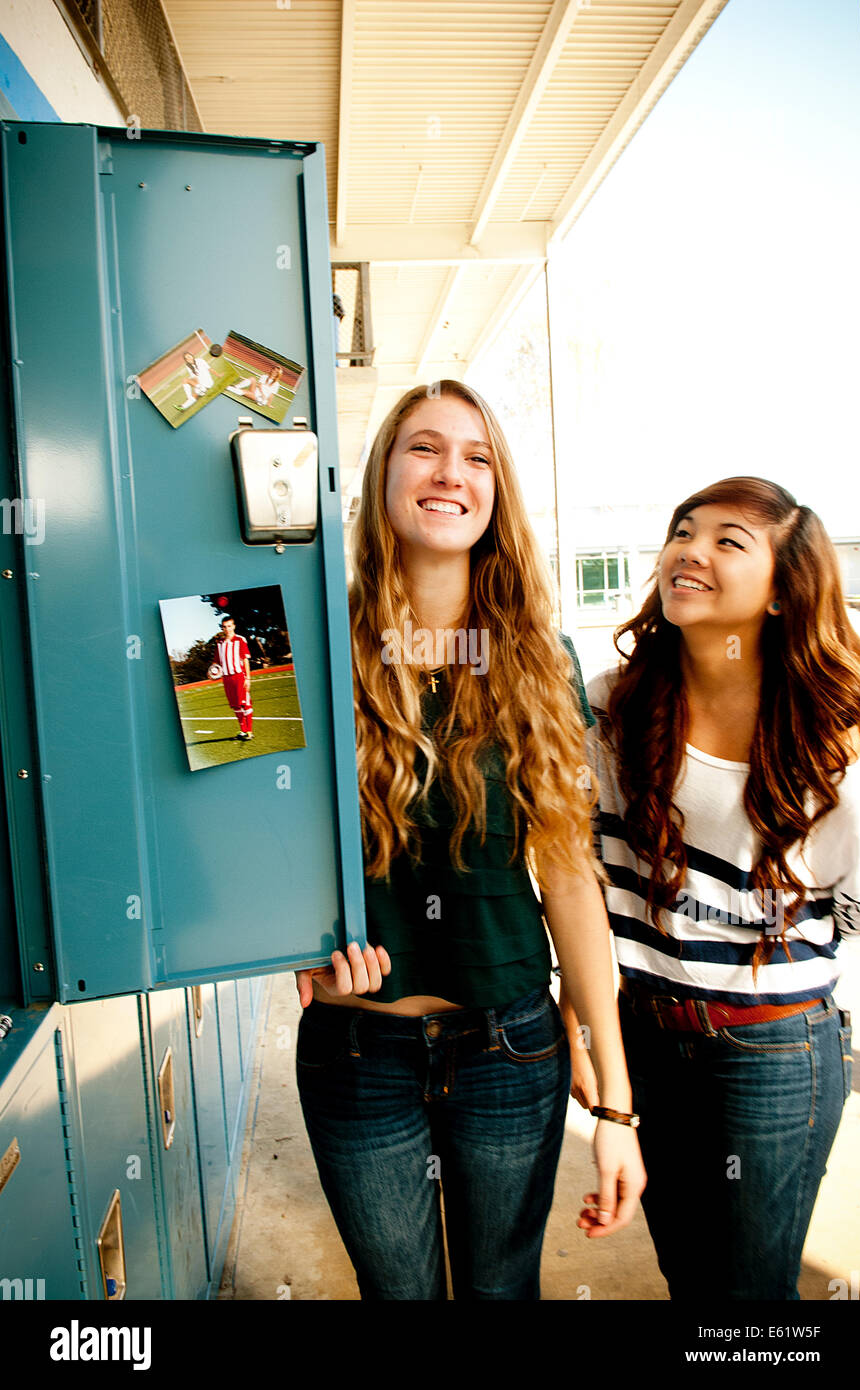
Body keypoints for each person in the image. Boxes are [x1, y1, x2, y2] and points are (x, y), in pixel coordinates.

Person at [293, 380, 645, 1301]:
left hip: (510, 1048)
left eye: (478, 456)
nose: (452, 472)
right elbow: (224, 818)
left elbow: (571, 880)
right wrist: (284, 946)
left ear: (498, 492)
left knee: (502, 1292)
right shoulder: (314, 642)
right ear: (381, 477)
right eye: (425, 447)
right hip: (356, 1048)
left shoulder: (540, 657)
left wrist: (615, 1104)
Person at [562, 476, 860, 1301]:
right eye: (683, 531)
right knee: (690, 1278)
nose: (689, 551)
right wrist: (583, 1021)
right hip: (647, 1037)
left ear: (783, 591)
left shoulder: (836, 740)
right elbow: (581, 882)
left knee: (747, 1297)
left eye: (729, 540)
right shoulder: (607, 709)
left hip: (771, 1051)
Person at [216, 616, 253, 740]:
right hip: (226, 678)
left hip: (239, 676)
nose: (227, 629)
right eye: (224, 627)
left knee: (245, 704)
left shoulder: (240, 640)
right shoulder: (220, 643)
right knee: (236, 705)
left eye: (229, 626)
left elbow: (245, 660)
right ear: (222, 628)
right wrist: (212, 672)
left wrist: (248, 678)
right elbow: (216, 663)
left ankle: (249, 731)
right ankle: (243, 730)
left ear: (234, 626)